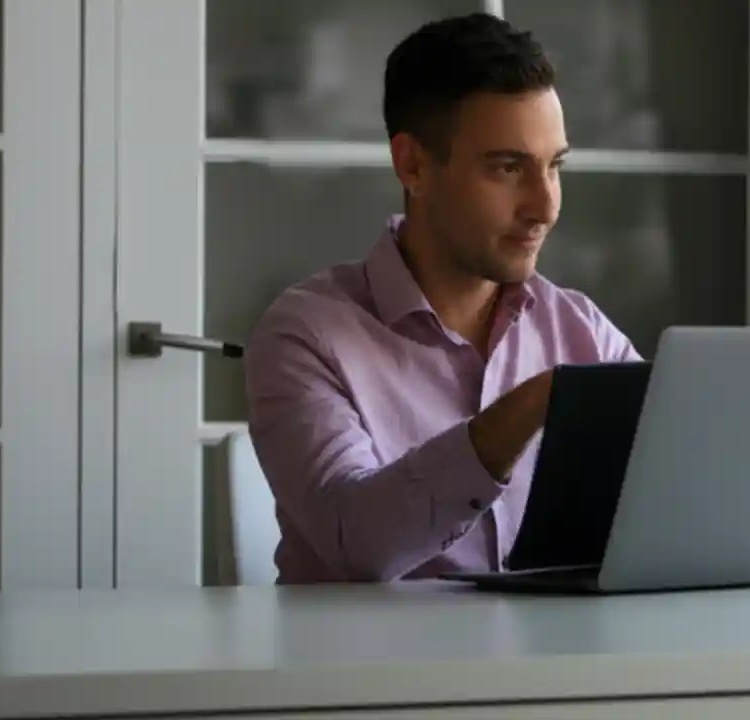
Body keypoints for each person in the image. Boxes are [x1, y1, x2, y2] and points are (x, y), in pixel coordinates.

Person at [245, 13, 640, 583]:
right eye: (508, 168)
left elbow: (672, 497)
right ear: (413, 165)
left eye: (554, 166)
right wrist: (528, 409)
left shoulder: (581, 328)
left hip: (553, 642)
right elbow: (357, 543)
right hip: (364, 645)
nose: (545, 206)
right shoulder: (305, 335)